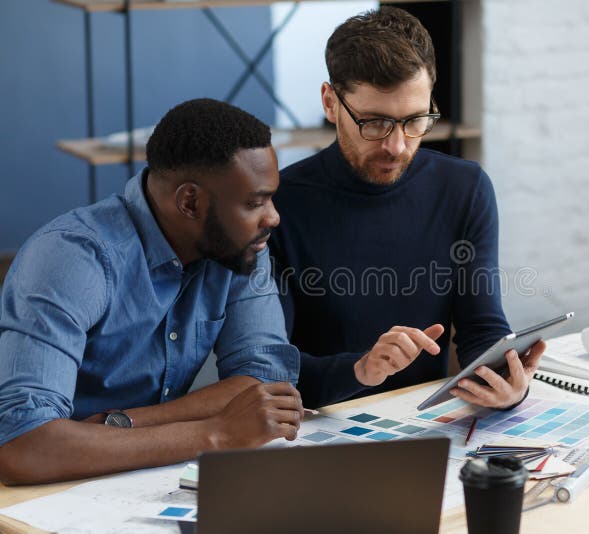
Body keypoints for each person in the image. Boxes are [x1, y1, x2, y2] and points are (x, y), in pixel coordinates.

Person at [0, 99, 304, 485]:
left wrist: (123, 423)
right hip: (45, 491)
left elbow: (264, 382)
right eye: (254, 203)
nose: (273, 217)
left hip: (138, 477)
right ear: (189, 202)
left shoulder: (239, 246)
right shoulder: (71, 260)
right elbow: (24, 445)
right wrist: (216, 433)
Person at [270, 7, 545, 410]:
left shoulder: (464, 188)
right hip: (315, 426)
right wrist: (360, 370)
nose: (396, 146)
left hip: (419, 422)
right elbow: (269, 374)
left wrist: (506, 383)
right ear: (330, 103)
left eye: (416, 120)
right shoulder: (280, 204)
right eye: (374, 123)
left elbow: (481, 328)